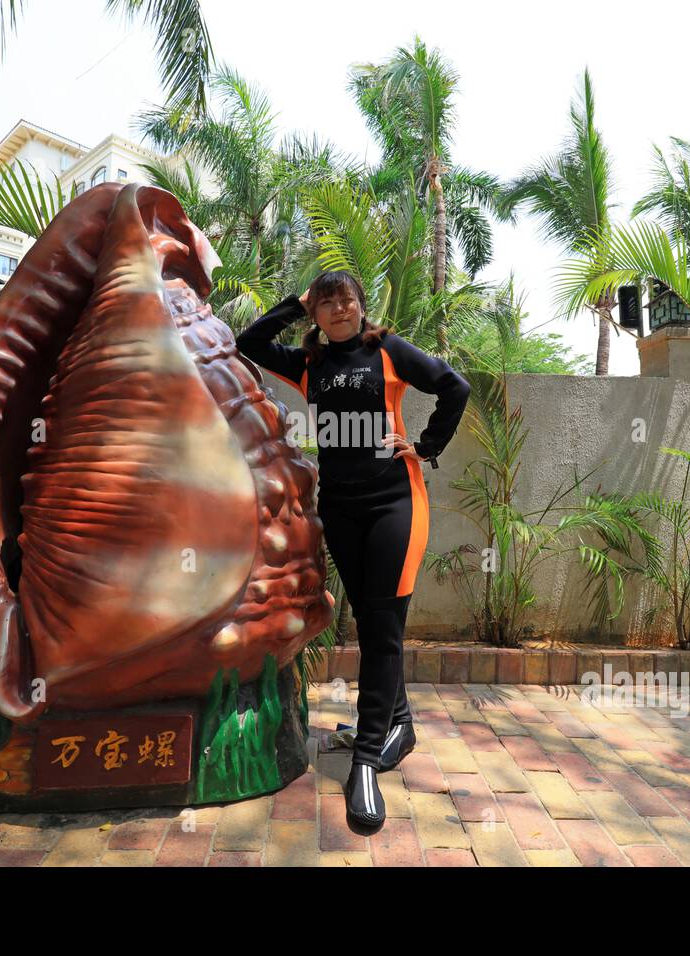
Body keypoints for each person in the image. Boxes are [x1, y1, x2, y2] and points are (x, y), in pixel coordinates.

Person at [235, 270, 471, 830]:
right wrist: (294, 303)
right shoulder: (309, 363)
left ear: (363, 307)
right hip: (340, 508)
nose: (339, 309)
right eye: (327, 302)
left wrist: (426, 446)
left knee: (384, 627)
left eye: (347, 299)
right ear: (315, 312)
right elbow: (250, 344)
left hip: (395, 504)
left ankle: (365, 761)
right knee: (370, 621)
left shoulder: (385, 350)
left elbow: (453, 386)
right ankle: (399, 725)